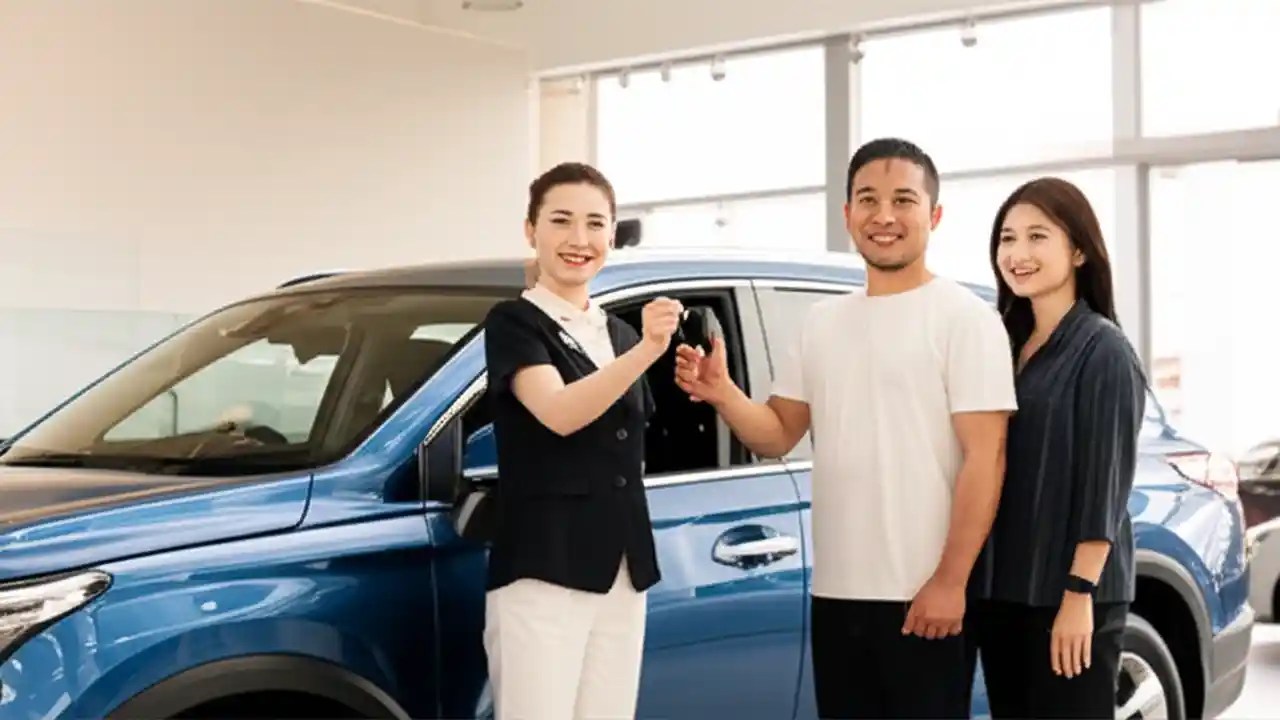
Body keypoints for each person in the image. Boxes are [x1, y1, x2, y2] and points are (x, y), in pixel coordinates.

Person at [673, 138, 1017, 719]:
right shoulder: (821, 323)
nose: (884, 216)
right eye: (868, 200)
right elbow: (778, 433)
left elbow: (987, 458)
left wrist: (950, 581)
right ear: (847, 215)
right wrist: (724, 394)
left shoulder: (966, 318)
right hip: (835, 594)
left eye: (903, 200)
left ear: (934, 215)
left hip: (924, 593)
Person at [480, 161, 683, 719]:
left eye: (596, 224)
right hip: (544, 567)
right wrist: (646, 352)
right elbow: (559, 413)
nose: (579, 240)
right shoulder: (515, 323)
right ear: (531, 230)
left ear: (612, 236)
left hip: (622, 568)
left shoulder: (617, 331)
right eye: (561, 221)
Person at [968, 177, 1146, 719]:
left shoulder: (1103, 349)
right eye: (1007, 238)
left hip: (1070, 596)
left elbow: (1105, 488)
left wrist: (1077, 596)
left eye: (1037, 237)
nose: (1017, 254)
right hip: (1005, 594)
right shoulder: (1005, 343)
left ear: (1079, 249)